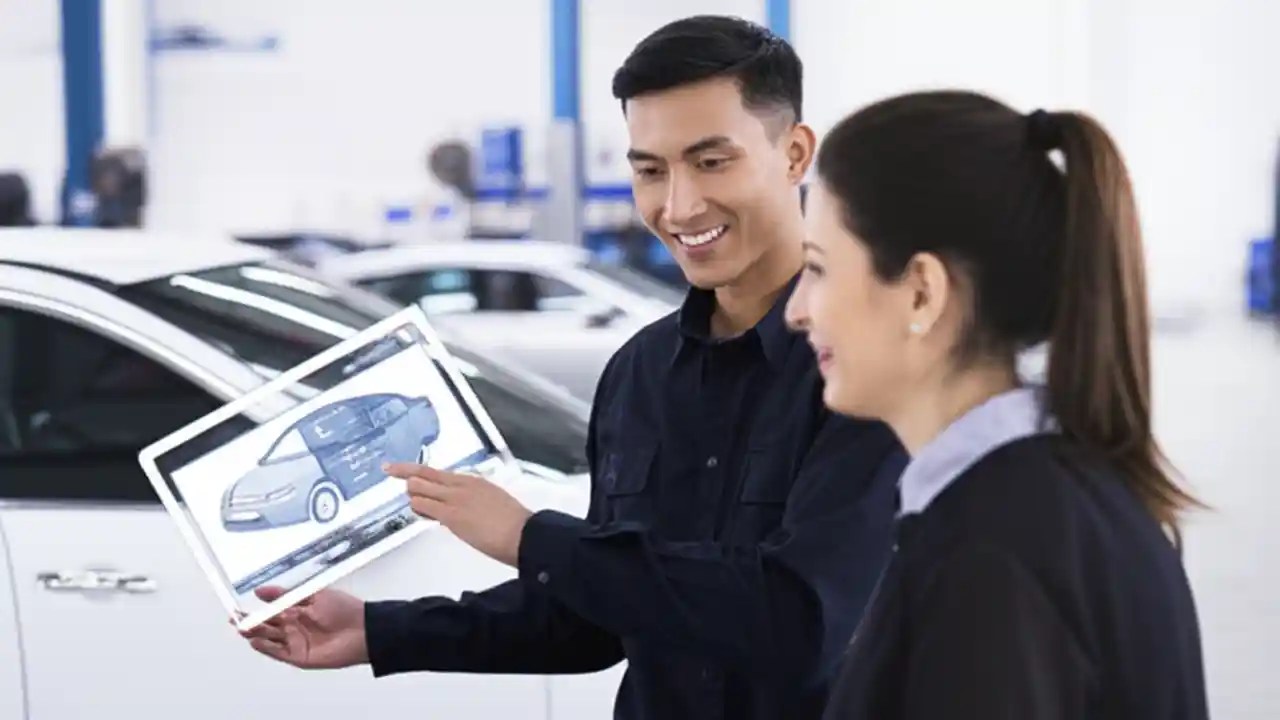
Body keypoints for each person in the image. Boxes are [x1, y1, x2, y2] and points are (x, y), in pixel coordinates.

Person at [239, 15, 906, 720]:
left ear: (796, 154)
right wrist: (379, 630)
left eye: (712, 162)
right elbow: (595, 620)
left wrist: (531, 538)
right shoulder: (639, 374)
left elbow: (803, 621)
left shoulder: (870, 368)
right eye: (650, 170)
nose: (677, 206)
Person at [782, 89, 1210, 719]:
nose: (795, 311)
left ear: (922, 293)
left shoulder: (989, 558)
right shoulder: (1060, 496)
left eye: (817, 268)